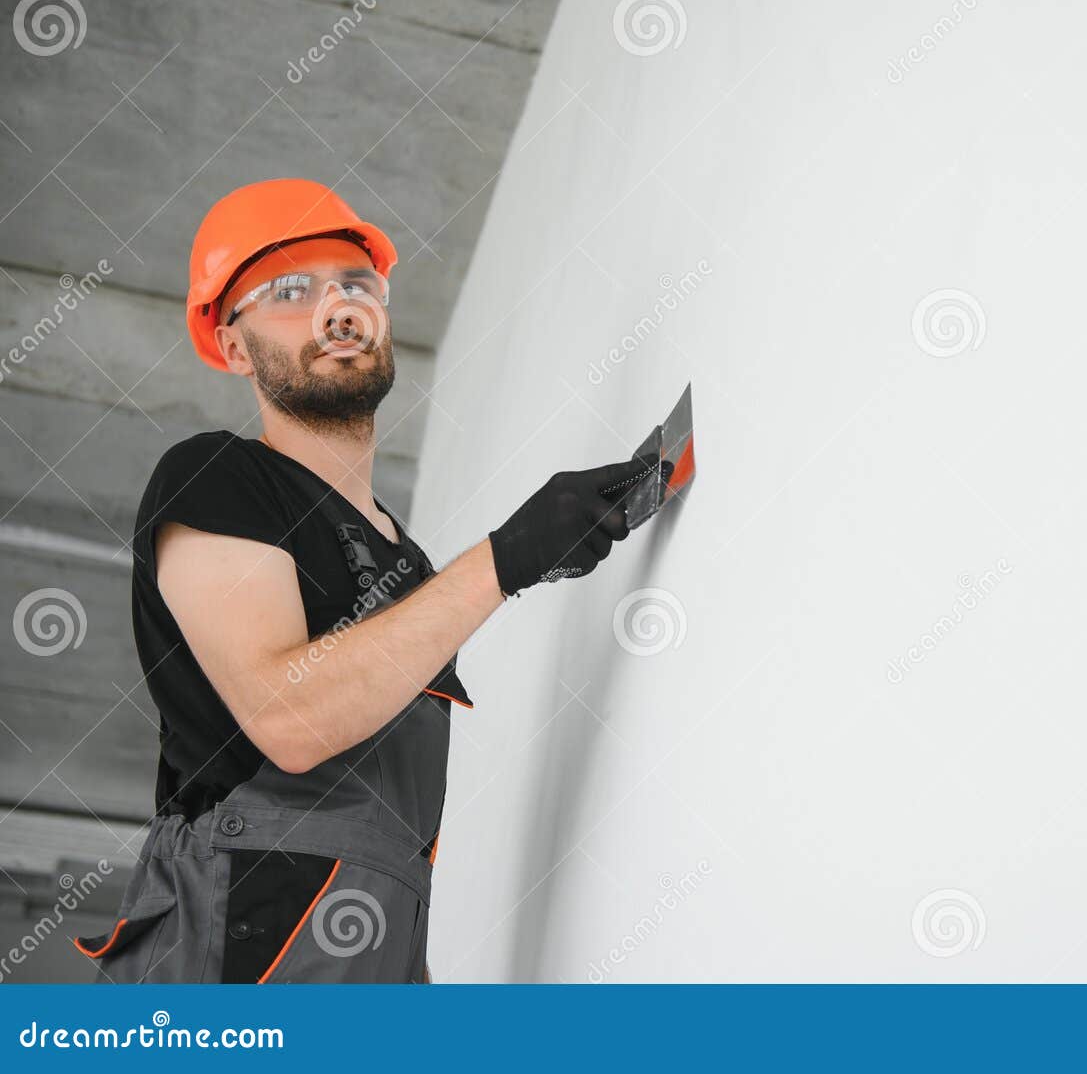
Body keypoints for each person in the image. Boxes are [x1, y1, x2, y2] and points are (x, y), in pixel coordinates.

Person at [72, 178, 663, 983]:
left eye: (356, 285)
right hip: (236, 936)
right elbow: (292, 718)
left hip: (379, 944)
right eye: (290, 291)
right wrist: (507, 557)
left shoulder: (410, 564)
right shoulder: (214, 475)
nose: (335, 309)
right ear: (233, 345)